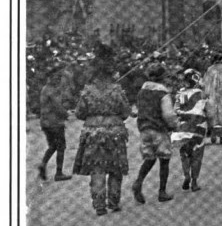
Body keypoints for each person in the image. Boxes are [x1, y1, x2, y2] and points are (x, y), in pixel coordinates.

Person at [72, 45, 131, 215]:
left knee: (97, 169)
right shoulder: (117, 90)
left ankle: (99, 205)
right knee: (115, 168)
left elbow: (79, 113)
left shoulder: (87, 92)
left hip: (92, 134)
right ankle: (114, 201)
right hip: (115, 133)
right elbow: (125, 112)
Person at [132, 63, 179, 204]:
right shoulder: (162, 94)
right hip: (159, 129)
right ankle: (162, 192)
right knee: (164, 160)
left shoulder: (141, 92)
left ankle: (138, 181)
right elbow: (168, 114)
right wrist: (175, 125)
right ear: (162, 77)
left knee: (149, 158)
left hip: (144, 129)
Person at [172, 68, 214, 192]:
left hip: (182, 128)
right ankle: (194, 182)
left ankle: (186, 175)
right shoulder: (202, 94)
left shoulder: (179, 95)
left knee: (184, 153)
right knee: (197, 155)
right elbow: (210, 113)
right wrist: (211, 127)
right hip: (198, 127)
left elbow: (176, 111)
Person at [38, 64, 73, 182]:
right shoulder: (51, 90)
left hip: (45, 123)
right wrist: (67, 114)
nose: (58, 79)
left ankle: (43, 164)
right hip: (55, 124)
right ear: (50, 77)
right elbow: (57, 107)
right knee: (61, 146)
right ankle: (59, 173)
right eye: (56, 77)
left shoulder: (45, 89)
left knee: (53, 145)